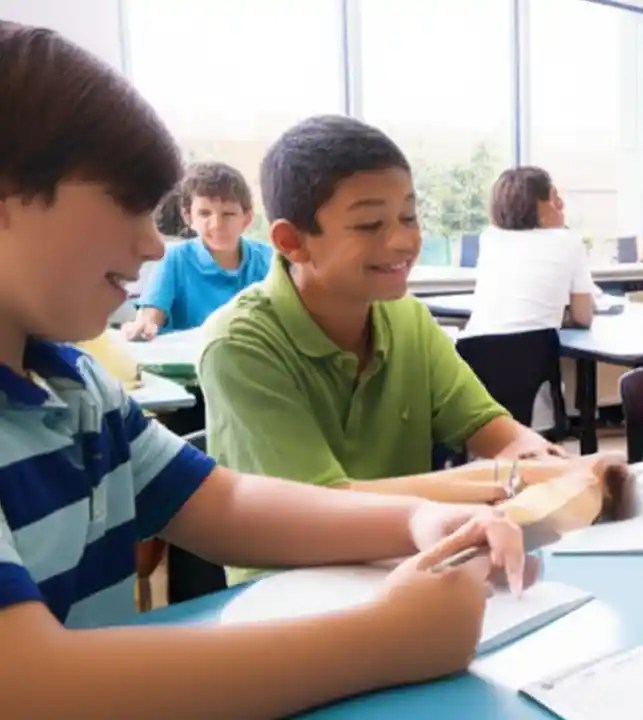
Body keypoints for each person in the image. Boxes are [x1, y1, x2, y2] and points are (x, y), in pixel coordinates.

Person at [0, 21, 530, 717]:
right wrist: (384, 640)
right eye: (130, 208)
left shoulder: (76, 386)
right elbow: (29, 680)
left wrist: (417, 520)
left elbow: (220, 503)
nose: (153, 244)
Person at [197, 116, 566, 584]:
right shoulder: (239, 345)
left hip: (409, 571)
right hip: (289, 595)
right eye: (370, 224)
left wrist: (540, 459)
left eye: (409, 217)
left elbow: (494, 429)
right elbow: (325, 504)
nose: (404, 241)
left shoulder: (406, 318)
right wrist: (502, 480)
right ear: (293, 242)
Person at [122, 162, 273, 339]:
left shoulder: (268, 259)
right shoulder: (175, 258)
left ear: (247, 219)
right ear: (189, 217)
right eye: (204, 213)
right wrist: (144, 326)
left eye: (228, 214)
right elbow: (151, 315)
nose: (217, 225)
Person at [466, 166, 595, 334]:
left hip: (473, 352)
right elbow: (583, 317)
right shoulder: (569, 242)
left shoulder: (489, 238)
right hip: (534, 354)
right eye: (554, 198)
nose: (562, 205)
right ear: (536, 206)